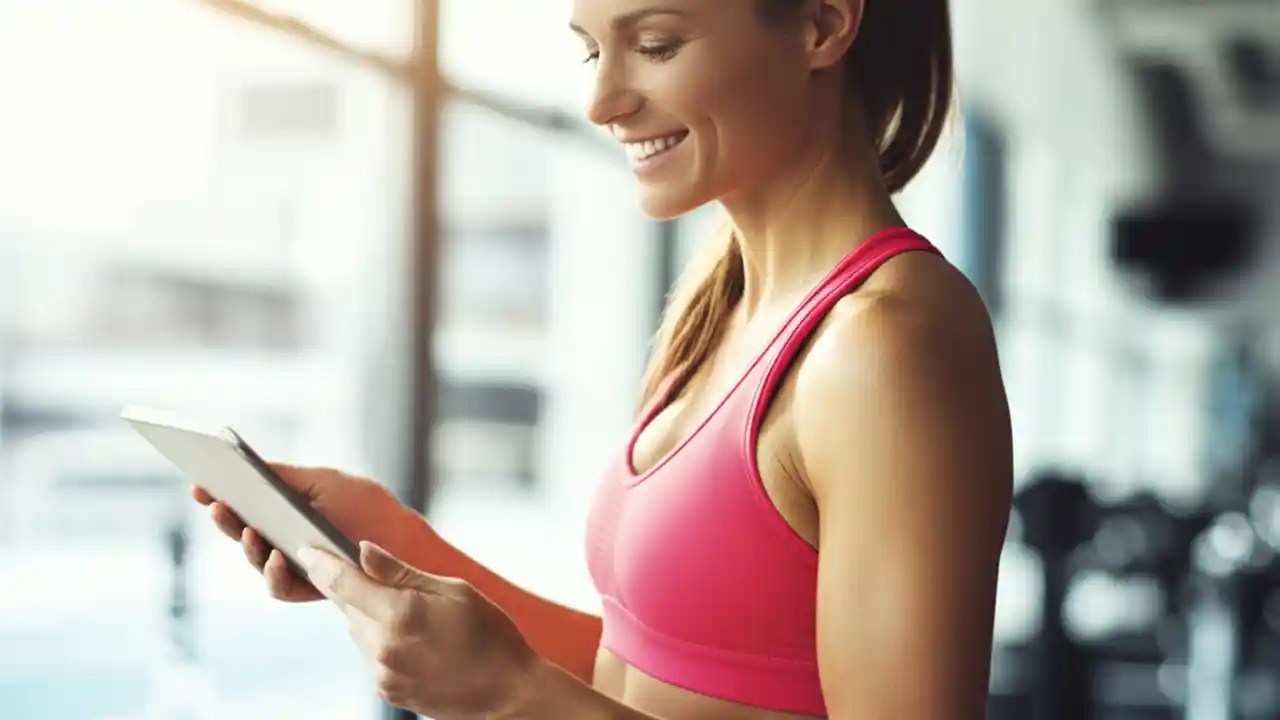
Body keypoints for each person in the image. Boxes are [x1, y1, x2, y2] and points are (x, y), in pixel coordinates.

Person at [192, 0, 1013, 717]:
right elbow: (644, 675)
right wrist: (397, 545)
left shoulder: (888, 342)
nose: (601, 101)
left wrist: (512, 697)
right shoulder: (722, 305)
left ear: (823, 24)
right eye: (592, 49)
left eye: (655, 45)